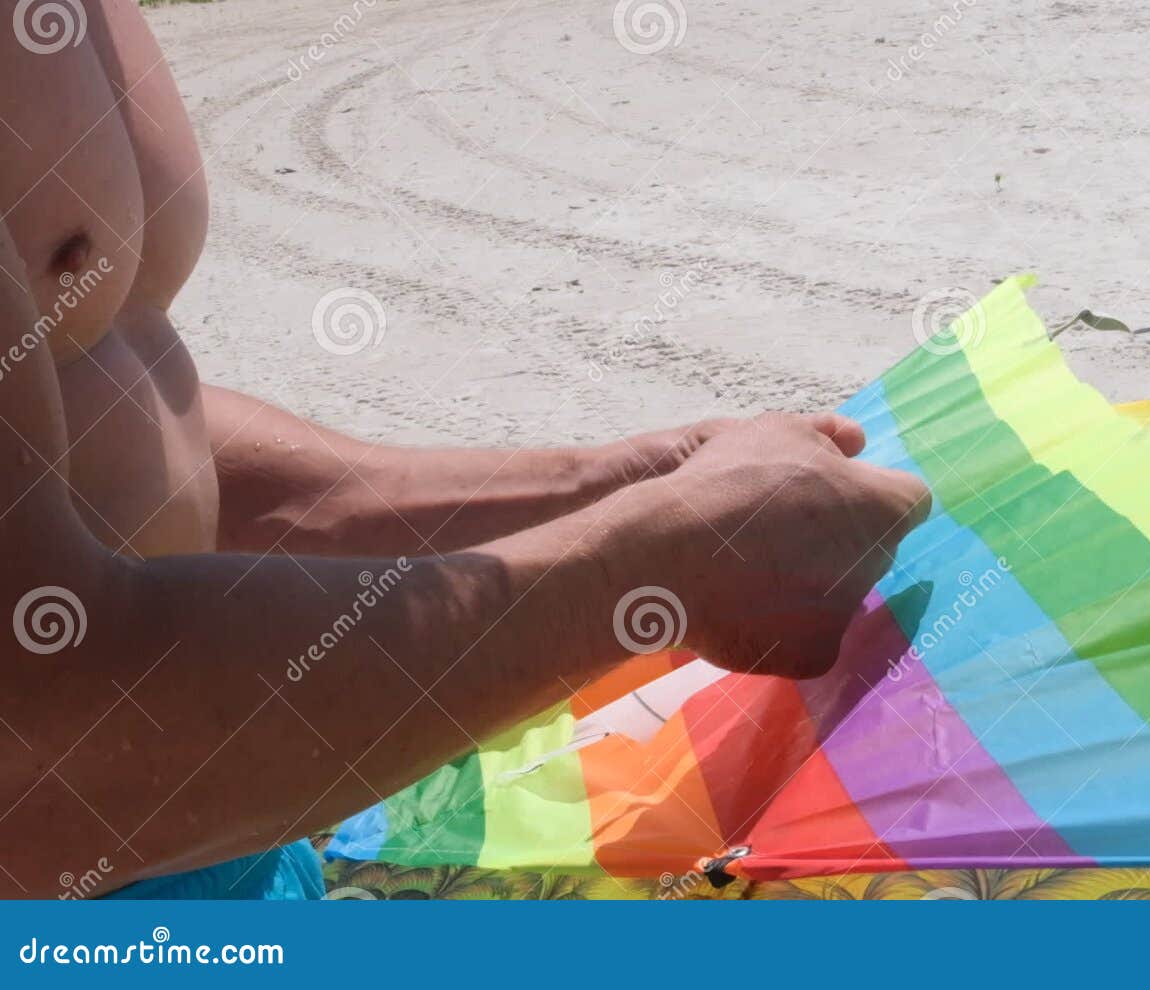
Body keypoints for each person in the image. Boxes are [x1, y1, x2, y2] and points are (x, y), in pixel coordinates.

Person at [0, 1, 928, 899]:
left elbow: (110, 395)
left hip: (228, 842)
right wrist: (662, 565)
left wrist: (599, 486)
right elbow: (37, 765)